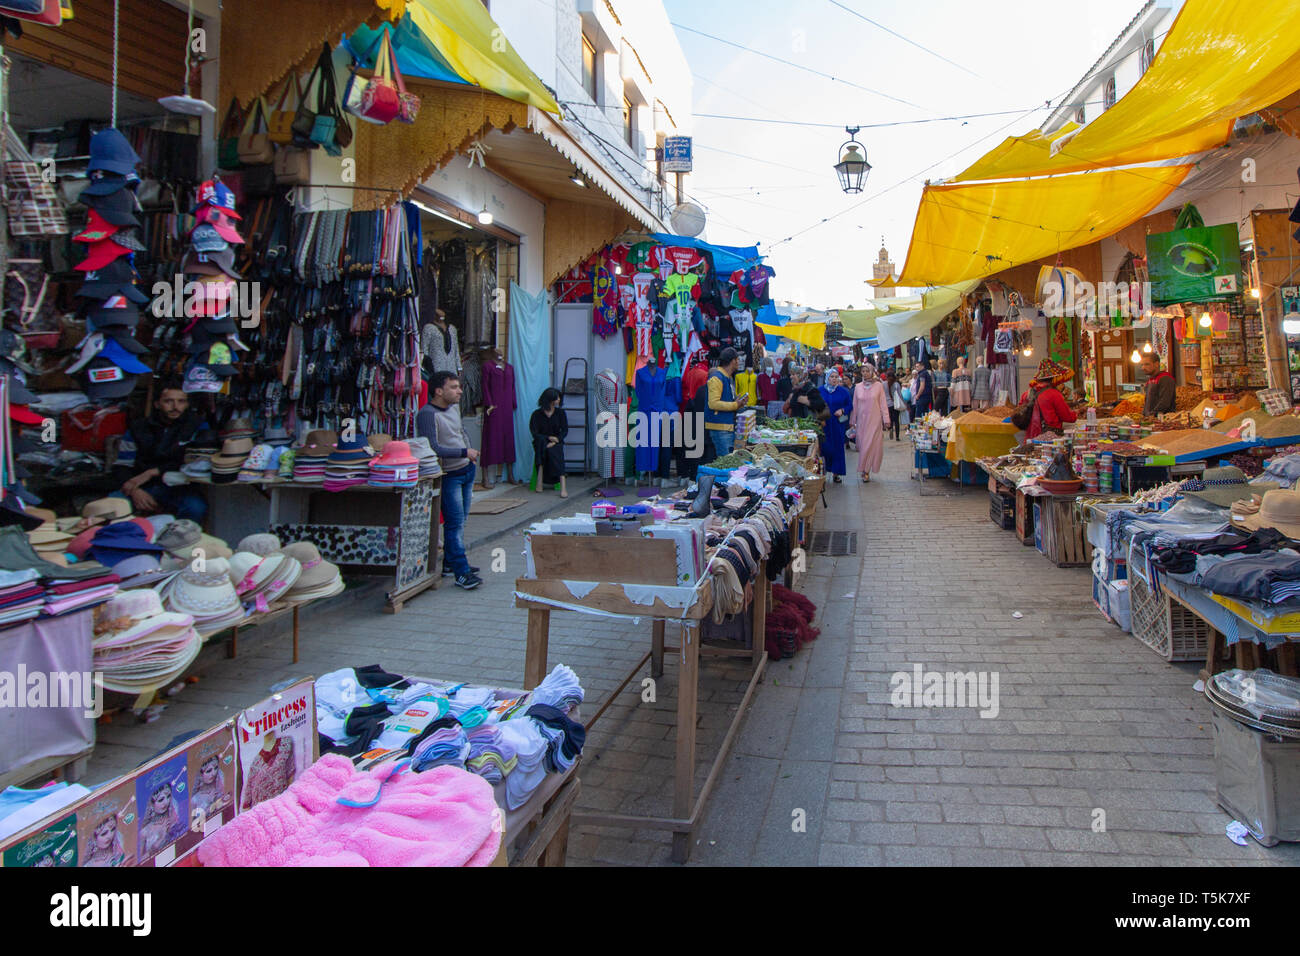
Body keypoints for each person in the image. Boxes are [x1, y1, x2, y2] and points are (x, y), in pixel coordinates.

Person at [418, 370, 482, 590]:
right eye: (454, 387)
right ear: (438, 391)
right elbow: (432, 448)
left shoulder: (454, 408)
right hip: (449, 475)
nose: (460, 391)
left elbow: (461, 431)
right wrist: (465, 452)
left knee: (461, 521)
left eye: (459, 386)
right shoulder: (427, 414)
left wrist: (469, 455)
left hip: (466, 470)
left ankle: (449, 564)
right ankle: (462, 573)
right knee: (454, 525)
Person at [115, 386, 206, 521]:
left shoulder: (196, 426)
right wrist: (134, 491)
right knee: (112, 507)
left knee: (195, 507)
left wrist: (154, 471)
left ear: (187, 404)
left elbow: (197, 461)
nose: (175, 407)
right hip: (142, 486)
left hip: (179, 488)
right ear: (157, 404)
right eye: (168, 401)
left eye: (181, 401)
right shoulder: (138, 428)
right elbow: (122, 464)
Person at [705, 348, 749, 458]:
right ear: (733, 361)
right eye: (737, 360)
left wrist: (738, 402)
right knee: (726, 462)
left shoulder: (727, 378)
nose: (739, 362)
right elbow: (713, 403)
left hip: (726, 427)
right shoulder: (717, 377)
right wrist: (735, 405)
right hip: (720, 428)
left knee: (729, 461)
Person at [851, 364, 892, 482]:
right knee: (863, 446)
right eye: (863, 371)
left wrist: (886, 420)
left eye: (867, 371)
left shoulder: (878, 386)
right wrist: (853, 420)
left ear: (872, 371)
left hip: (875, 420)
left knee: (870, 445)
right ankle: (864, 468)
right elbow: (855, 405)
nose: (865, 373)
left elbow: (883, 404)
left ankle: (866, 470)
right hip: (862, 421)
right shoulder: (858, 387)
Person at [1020, 358, 1079, 440]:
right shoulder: (1054, 394)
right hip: (1049, 437)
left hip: (1029, 436)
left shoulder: (1026, 394)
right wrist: (1076, 413)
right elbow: (1068, 418)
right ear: (1054, 378)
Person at [529, 387, 568, 498]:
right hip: (542, 441)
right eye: (557, 398)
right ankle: (540, 480)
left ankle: (563, 486)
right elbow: (534, 432)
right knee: (541, 447)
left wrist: (556, 440)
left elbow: (564, 430)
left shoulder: (560, 413)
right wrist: (548, 439)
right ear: (550, 399)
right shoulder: (536, 415)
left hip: (556, 442)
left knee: (555, 451)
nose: (559, 400)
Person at [819, 369, 852, 482]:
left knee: (837, 448)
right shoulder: (820, 390)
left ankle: (836, 473)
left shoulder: (843, 391)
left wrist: (842, 410)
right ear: (827, 378)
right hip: (824, 425)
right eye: (831, 377)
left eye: (836, 377)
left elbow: (849, 405)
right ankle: (823, 472)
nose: (834, 379)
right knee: (825, 448)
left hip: (838, 425)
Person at [888, 371, 908, 439]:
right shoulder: (896, 384)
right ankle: (897, 436)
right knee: (896, 420)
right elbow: (900, 394)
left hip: (888, 404)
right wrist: (904, 403)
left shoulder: (885, 384)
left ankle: (890, 428)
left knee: (890, 418)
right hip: (896, 404)